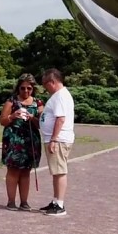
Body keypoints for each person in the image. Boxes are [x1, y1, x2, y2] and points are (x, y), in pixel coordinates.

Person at [0, 74, 42, 210]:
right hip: (13, 139)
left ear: (33, 89)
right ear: (18, 88)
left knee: (25, 171)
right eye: (22, 88)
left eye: (29, 88)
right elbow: (2, 121)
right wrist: (12, 116)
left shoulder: (38, 103)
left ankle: (24, 202)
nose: (25, 91)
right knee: (13, 170)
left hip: (30, 140)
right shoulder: (11, 101)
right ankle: (11, 201)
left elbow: (42, 124)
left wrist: (32, 118)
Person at [38, 68, 76, 216]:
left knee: (59, 171)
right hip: (55, 139)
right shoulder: (59, 95)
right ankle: (55, 201)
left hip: (58, 140)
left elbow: (60, 119)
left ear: (52, 82)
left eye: (45, 84)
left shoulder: (60, 96)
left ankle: (60, 204)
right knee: (56, 171)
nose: (45, 87)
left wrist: (54, 139)